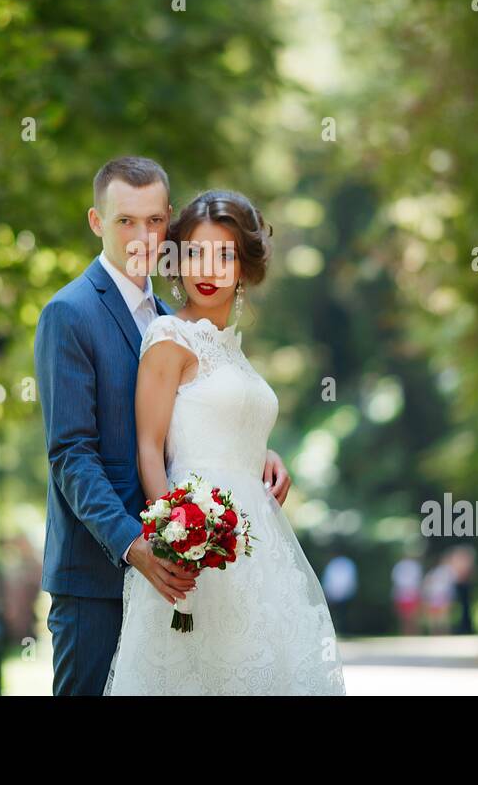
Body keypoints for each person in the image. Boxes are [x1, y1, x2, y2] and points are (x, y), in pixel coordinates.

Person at [35, 159, 293, 696]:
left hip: (184, 576)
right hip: (99, 578)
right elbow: (71, 457)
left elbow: (193, 415)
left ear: (168, 221)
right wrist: (137, 545)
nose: (141, 237)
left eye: (153, 221)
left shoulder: (173, 317)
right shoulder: (70, 313)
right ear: (95, 221)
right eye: (124, 221)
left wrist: (251, 456)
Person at [103, 189, 346, 695]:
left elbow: (225, 422)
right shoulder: (170, 336)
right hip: (199, 546)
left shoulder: (231, 348)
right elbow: (150, 446)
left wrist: (265, 456)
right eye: (194, 252)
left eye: (224, 254)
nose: (206, 268)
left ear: (243, 266)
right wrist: (172, 538)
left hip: (260, 548)